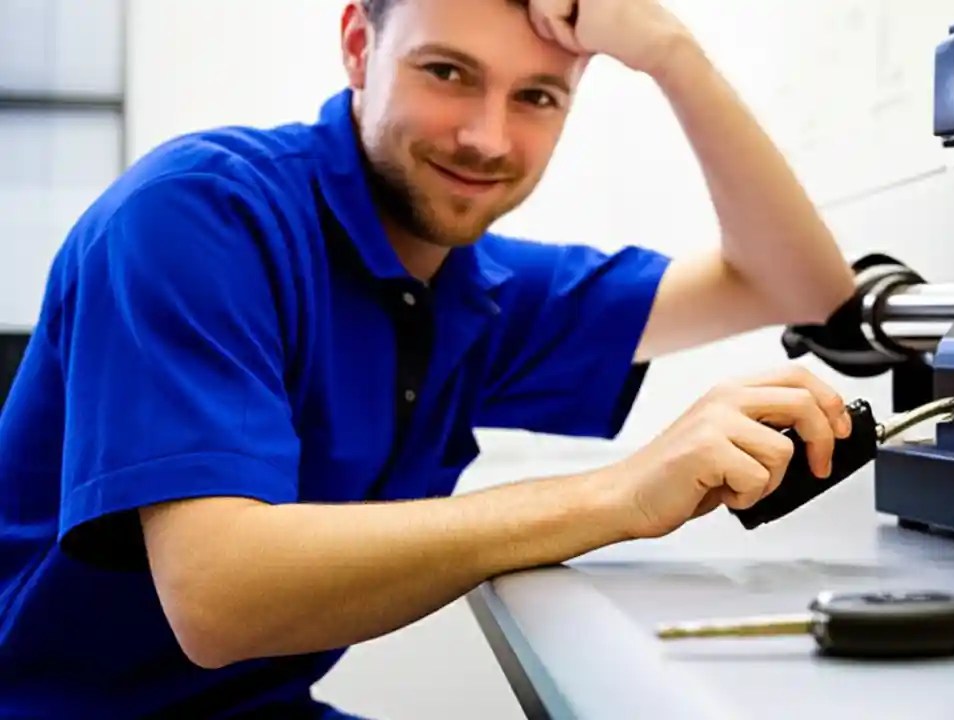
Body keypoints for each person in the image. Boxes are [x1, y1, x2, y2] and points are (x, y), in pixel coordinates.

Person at [0, 0, 857, 716]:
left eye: (538, 95)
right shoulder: (197, 215)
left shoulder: (473, 287)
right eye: (448, 73)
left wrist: (673, 56)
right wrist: (620, 493)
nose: (487, 138)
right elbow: (220, 597)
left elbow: (798, 289)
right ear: (359, 47)